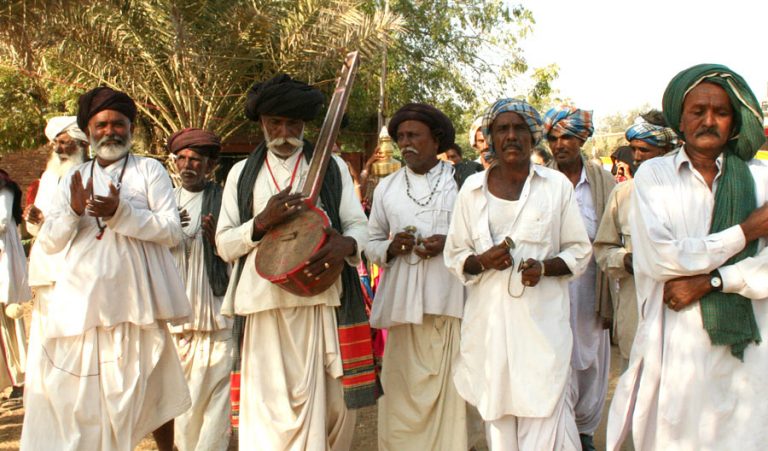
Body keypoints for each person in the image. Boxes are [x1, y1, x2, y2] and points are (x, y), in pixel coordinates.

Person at [607, 64, 768, 450]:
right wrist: (747, 231)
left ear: (734, 121)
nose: (709, 121)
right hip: (677, 348)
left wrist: (712, 281)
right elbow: (661, 258)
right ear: (681, 117)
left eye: (721, 112)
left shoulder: (760, 178)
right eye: (698, 111)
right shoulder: (655, 176)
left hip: (749, 355)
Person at [21, 87, 191, 451]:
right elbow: (49, 242)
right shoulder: (73, 176)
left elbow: (172, 230)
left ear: (130, 127)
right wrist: (73, 211)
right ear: (89, 131)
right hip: (84, 303)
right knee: (83, 396)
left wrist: (120, 213)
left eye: (118, 123)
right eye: (101, 125)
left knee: (153, 382)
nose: (110, 131)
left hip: (137, 299)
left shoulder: (151, 170)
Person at [216, 74, 376, 450]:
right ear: (262, 124)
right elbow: (224, 244)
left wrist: (346, 244)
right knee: (266, 410)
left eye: (293, 124)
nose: (284, 132)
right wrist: (259, 224)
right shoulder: (241, 175)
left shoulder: (332, 168)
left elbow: (359, 226)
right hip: (262, 307)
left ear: (305, 126)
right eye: (276, 123)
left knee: (330, 407)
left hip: (319, 304)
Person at [444, 98, 592, 450]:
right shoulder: (471, 190)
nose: (511, 136)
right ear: (490, 137)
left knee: (546, 423)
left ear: (533, 136)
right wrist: (481, 261)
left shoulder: (555, 187)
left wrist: (544, 268)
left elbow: (579, 249)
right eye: (502, 129)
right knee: (499, 430)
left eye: (519, 128)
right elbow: (455, 255)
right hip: (489, 334)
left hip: (542, 333)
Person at [367, 103, 467, 450]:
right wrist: (392, 248)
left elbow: (480, 236)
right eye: (401, 137)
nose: (406, 143)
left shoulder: (462, 182)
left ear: (435, 139)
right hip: (402, 309)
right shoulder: (387, 188)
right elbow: (371, 240)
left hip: (449, 303)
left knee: (450, 395)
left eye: (414, 135)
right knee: (401, 391)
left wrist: (449, 244)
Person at [543, 104, 615, 451]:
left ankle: (584, 433)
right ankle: (564, 435)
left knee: (591, 362)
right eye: (554, 138)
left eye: (568, 137)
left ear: (582, 139)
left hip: (593, 289)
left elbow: (612, 236)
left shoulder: (605, 183)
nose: (560, 145)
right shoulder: (538, 182)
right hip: (550, 286)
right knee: (557, 359)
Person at [167, 128, 233, 451]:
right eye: (181, 158)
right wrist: (165, 229)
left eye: (195, 160)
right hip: (179, 318)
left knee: (218, 397)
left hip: (215, 313)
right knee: (185, 402)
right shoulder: (165, 201)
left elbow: (237, 249)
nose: (187, 165)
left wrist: (216, 243)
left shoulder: (223, 199)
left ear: (209, 166)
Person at [594, 115, 677, 369]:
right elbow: (603, 248)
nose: (637, 156)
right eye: (634, 149)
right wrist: (625, 259)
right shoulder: (623, 193)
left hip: (677, 316)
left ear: (665, 152)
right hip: (636, 314)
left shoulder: (687, 193)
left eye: (645, 150)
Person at [0, 169, 31, 401]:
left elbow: (2, 220)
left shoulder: (4, 187)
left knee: (12, 319)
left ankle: (21, 377)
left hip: (5, 260)